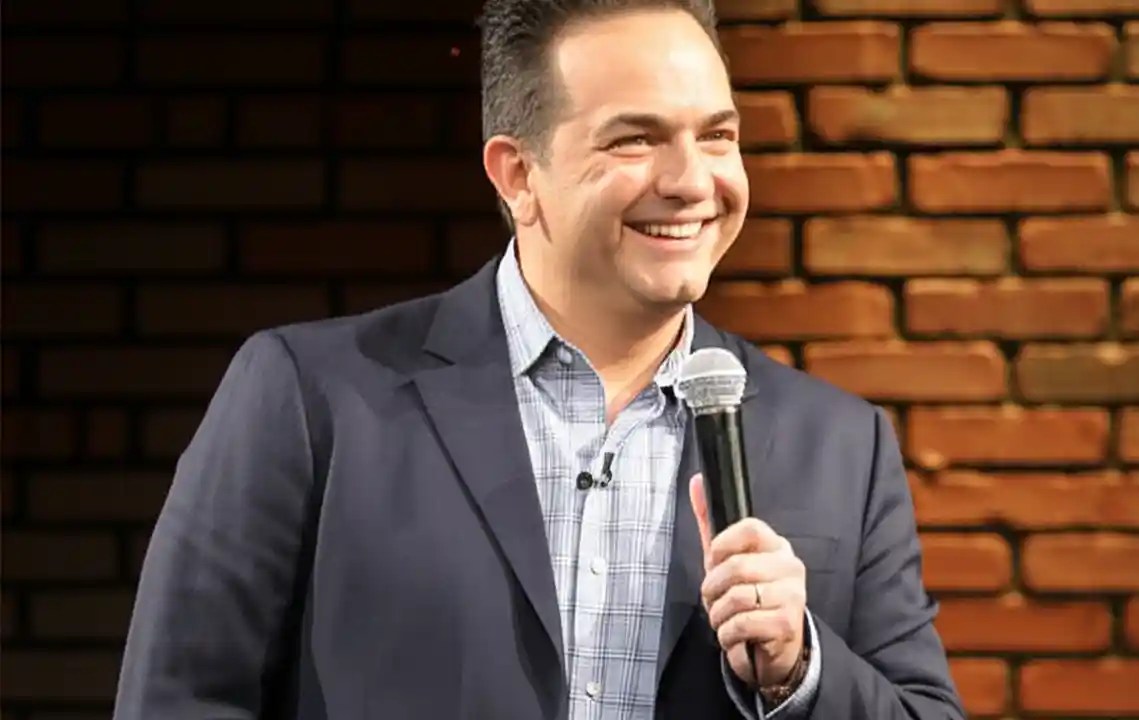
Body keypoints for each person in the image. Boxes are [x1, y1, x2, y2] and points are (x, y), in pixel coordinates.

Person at [114, 0, 964, 718]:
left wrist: (800, 669)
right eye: (635, 140)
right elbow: (180, 700)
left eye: (717, 135)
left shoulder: (841, 445)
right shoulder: (311, 400)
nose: (692, 181)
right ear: (517, 175)